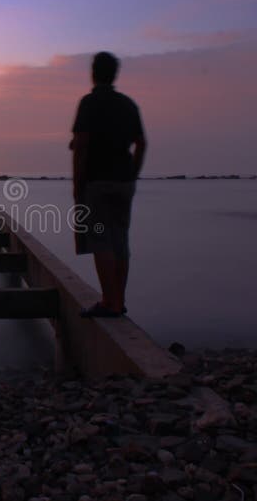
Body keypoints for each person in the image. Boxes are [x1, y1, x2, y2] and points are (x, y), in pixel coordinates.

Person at [70, 51, 146, 317]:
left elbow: (80, 145)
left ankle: (108, 302)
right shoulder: (128, 104)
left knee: (101, 239)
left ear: (94, 73)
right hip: (124, 183)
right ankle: (119, 300)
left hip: (98, 183)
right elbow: (141, 144)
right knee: (120, 240)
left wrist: (77, 186)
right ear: (115, 74)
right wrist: (132, 174)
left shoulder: (90, 103)